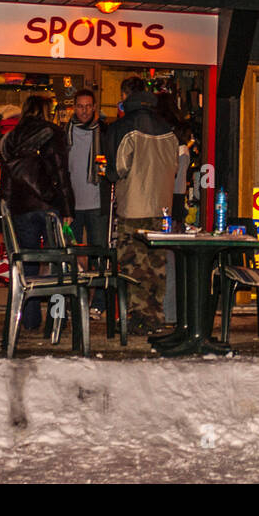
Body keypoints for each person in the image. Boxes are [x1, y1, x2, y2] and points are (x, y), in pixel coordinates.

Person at [104, 76, 180, 335]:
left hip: (133, 208)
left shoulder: (125, 126)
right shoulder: (168, 129)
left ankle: (137, 318)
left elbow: (119, 168)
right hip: (161, 209)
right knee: (156, 266)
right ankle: (155, 317)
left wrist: (106, 172)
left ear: (126, 97)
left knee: (133, 266)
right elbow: (174, 167)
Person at [0, 95, 73, 331]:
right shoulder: (53, 133)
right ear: (45, 111)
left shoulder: (12, 137)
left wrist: (6, 207)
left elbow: (7, 178)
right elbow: (61, 171)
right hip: (49, 206)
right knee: (57, 264)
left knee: (26, 264)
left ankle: (30, 321)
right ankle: (56, 319)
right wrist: (67, 207)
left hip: (21, 208)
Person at [65, 88, 110, 248]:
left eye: (88, 106)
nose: (84, 111)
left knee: (98, 252)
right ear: (74, 108)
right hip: (71, 205)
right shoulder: (65, 132)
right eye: (80, 106)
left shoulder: (105, 132)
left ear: (94, 107)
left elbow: (110, 165)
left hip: (97, 204)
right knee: (70, 253)